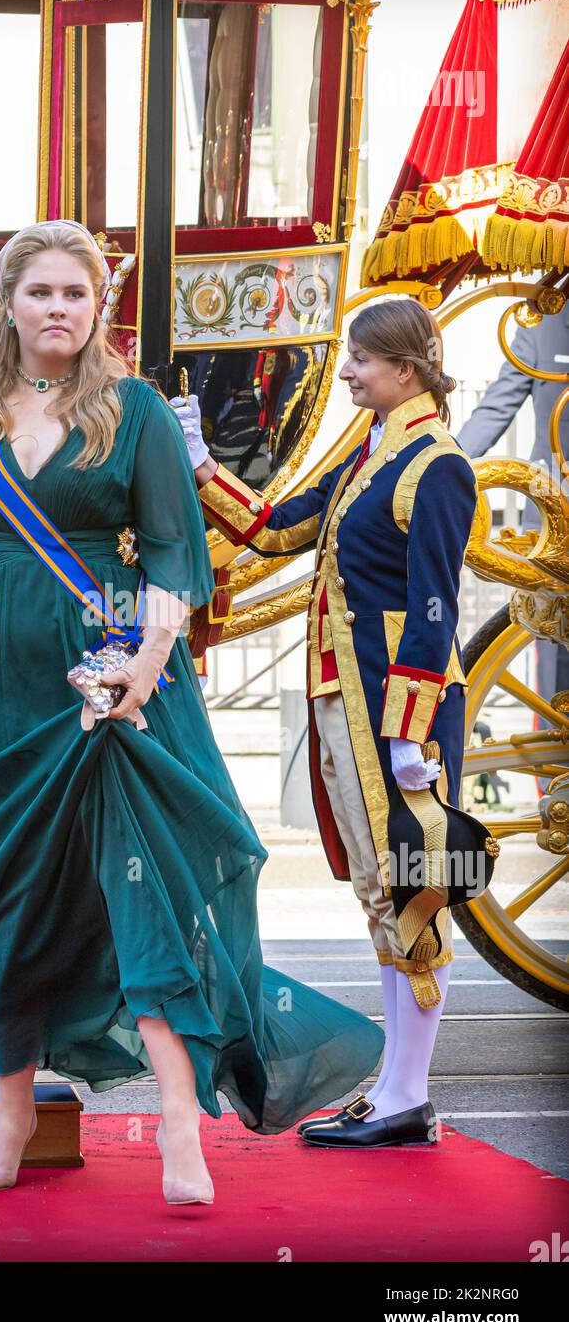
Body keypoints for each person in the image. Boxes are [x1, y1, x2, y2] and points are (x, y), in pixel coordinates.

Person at [0, 220, 383, 1203]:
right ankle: (14, 1112)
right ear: (7, 303)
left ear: (98, 308)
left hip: (111, 679)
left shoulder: (134, 409)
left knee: (142, 890)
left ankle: (179, 1124)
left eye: (75, 292)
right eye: (39, 291)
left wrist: (144, 664)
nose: (57, 307)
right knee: (10, 901)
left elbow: (175, 555)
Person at [173, 300, 478, 1147]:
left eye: (359, 361)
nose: (346, 371)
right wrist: (200, 463)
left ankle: (408, 1094)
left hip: (396, 710)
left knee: (415, 890)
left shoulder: (437, 464)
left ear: (403, 372)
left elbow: (433, 607)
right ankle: (396, 1085)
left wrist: (412, 734)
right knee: (381, 890)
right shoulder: (372, 453)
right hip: (349, 699)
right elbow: (278, 530)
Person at [456, 303, 569, 712]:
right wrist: (445, 462)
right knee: (552, 642)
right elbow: (498, 404)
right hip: (553, 515)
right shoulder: (542, 322)